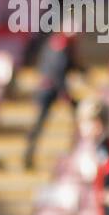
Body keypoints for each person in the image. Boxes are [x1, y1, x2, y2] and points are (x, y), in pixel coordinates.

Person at [24, 33, 78, 171]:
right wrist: (63, 92)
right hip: (49, 90)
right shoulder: (60, 48)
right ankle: (28, 154)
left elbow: (70, 66)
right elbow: (58, 72)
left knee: (40, 123)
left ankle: (28, 154)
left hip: (49, 89)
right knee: (40, 123)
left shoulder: (55, 45)